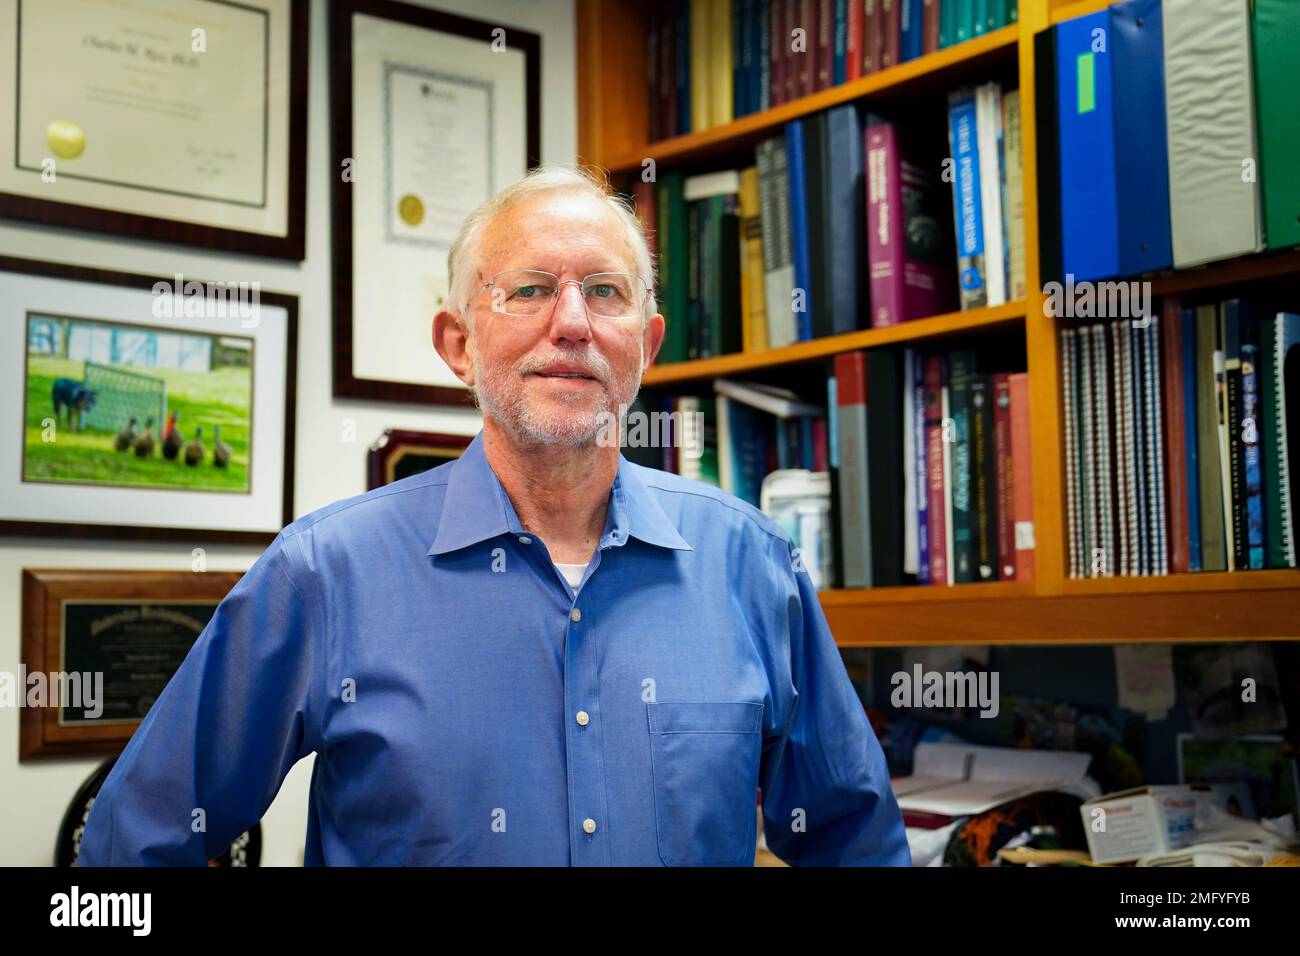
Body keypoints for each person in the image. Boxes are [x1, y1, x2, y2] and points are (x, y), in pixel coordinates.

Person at [77, 164, 910, 866]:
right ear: (459, 345)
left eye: (606, 292)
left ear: (647, 346)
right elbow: (132, 845)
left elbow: (856, 839)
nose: (573, 323)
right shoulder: (326, 573)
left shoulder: (752, 565)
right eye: (531, 289)